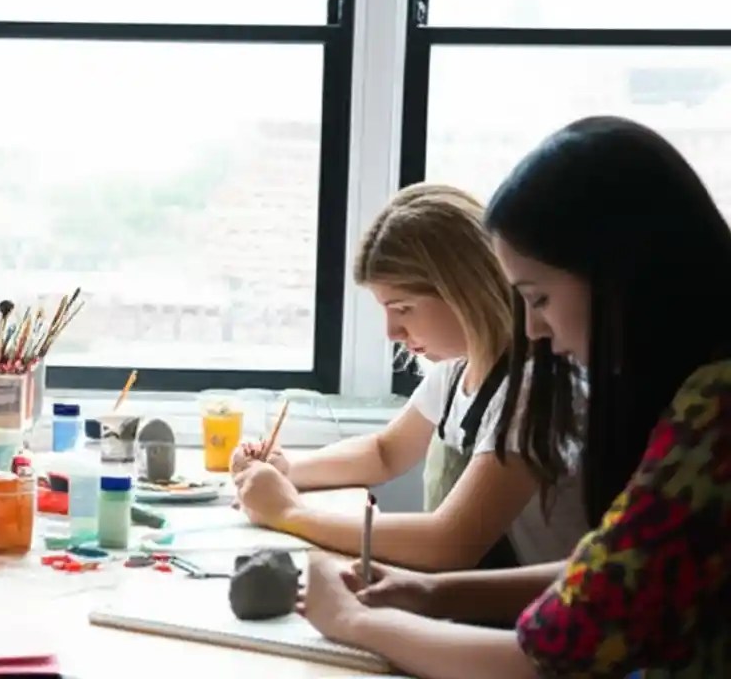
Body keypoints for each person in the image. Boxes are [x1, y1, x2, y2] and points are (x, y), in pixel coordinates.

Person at [300, 116, 731, 678]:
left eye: (540, 298)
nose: (532, 330)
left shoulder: (716, 412)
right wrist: (431, 593)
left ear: (621, 275)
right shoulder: (692, 393)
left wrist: (352, 622)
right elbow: (610, 574)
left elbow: (539, 660)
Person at [231, 183, 586, 571]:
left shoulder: (533, 393)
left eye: (403, 308)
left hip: (524, 617)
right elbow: (384, 452)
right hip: (463, 598)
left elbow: (449, 543)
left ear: (464, 291)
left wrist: (288, 512)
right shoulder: (455, 372)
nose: (391, 332)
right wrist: (287, 472)